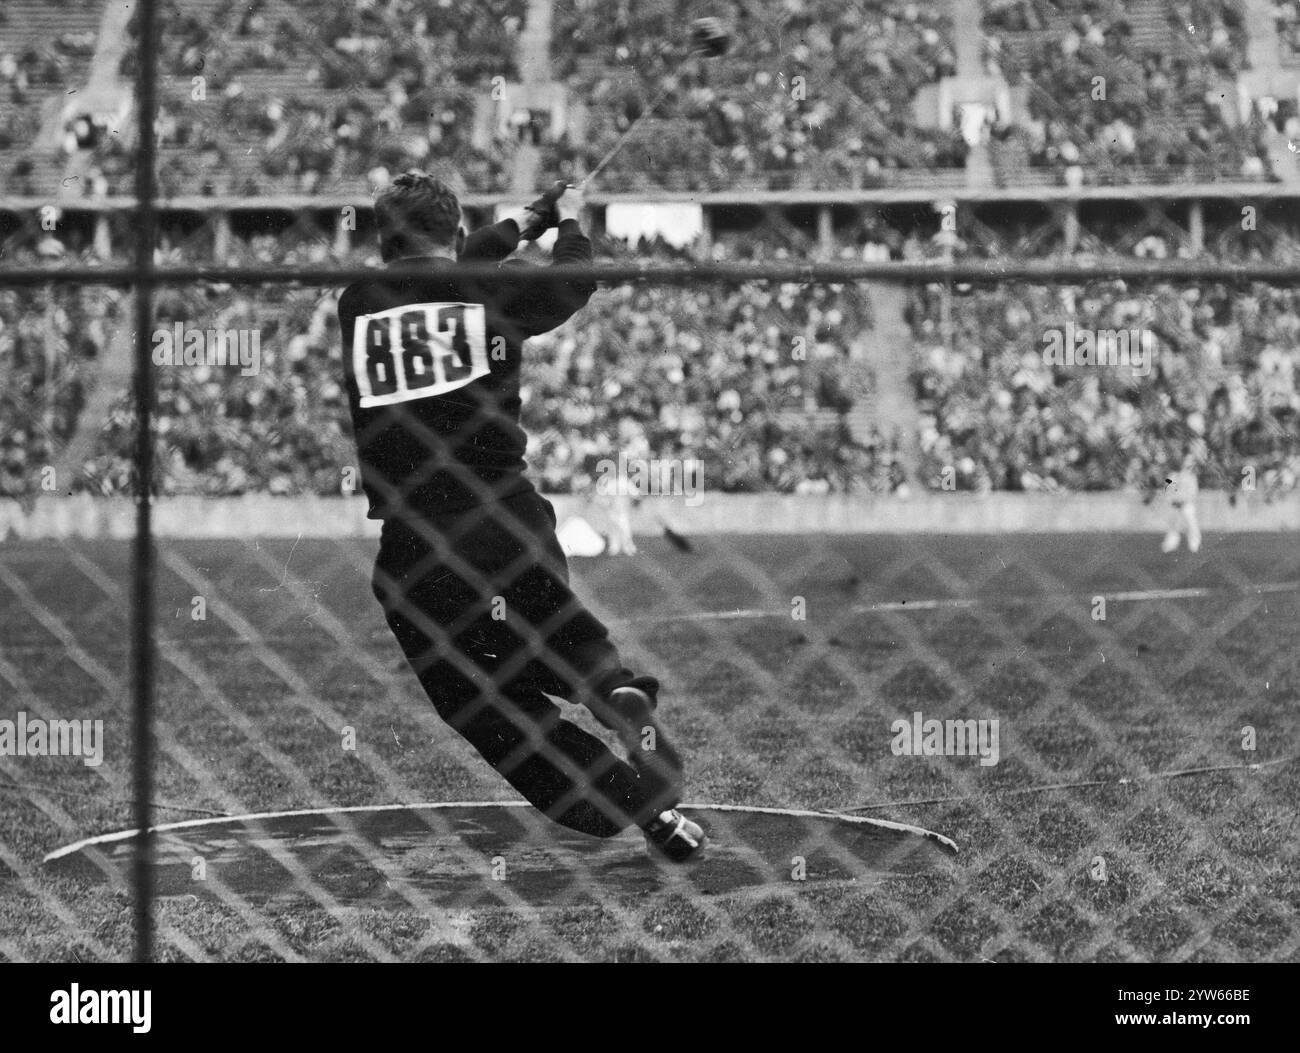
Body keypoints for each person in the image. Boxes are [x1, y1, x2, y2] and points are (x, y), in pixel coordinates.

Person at [336, 171, 705, 862]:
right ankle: (616, 690)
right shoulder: (490, 290)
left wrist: (525, 219)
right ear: (454, 235)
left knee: (487, 701)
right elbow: (570, 281)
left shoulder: (358, 301)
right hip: (504, 517)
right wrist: (567, 227)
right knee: (564, 639)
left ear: (383, 240)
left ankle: (634, 806)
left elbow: (444, 263)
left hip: (416, 543)